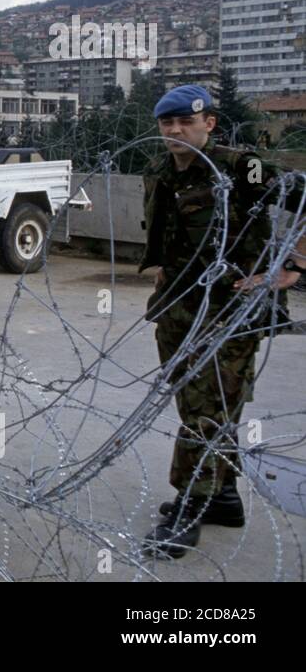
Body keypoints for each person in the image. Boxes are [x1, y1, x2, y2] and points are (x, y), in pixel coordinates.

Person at [139, 84, 304, 559]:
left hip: (231, 308)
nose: (174, 131)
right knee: (195, 400)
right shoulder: (160, 170)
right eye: (166, 124)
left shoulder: (241, 168)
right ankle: (224, 497)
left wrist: (291, 268)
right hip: (177, 305)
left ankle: (190, 507)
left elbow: (303, 198)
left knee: (206, 408)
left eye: (184, 123)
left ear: (208, 123)